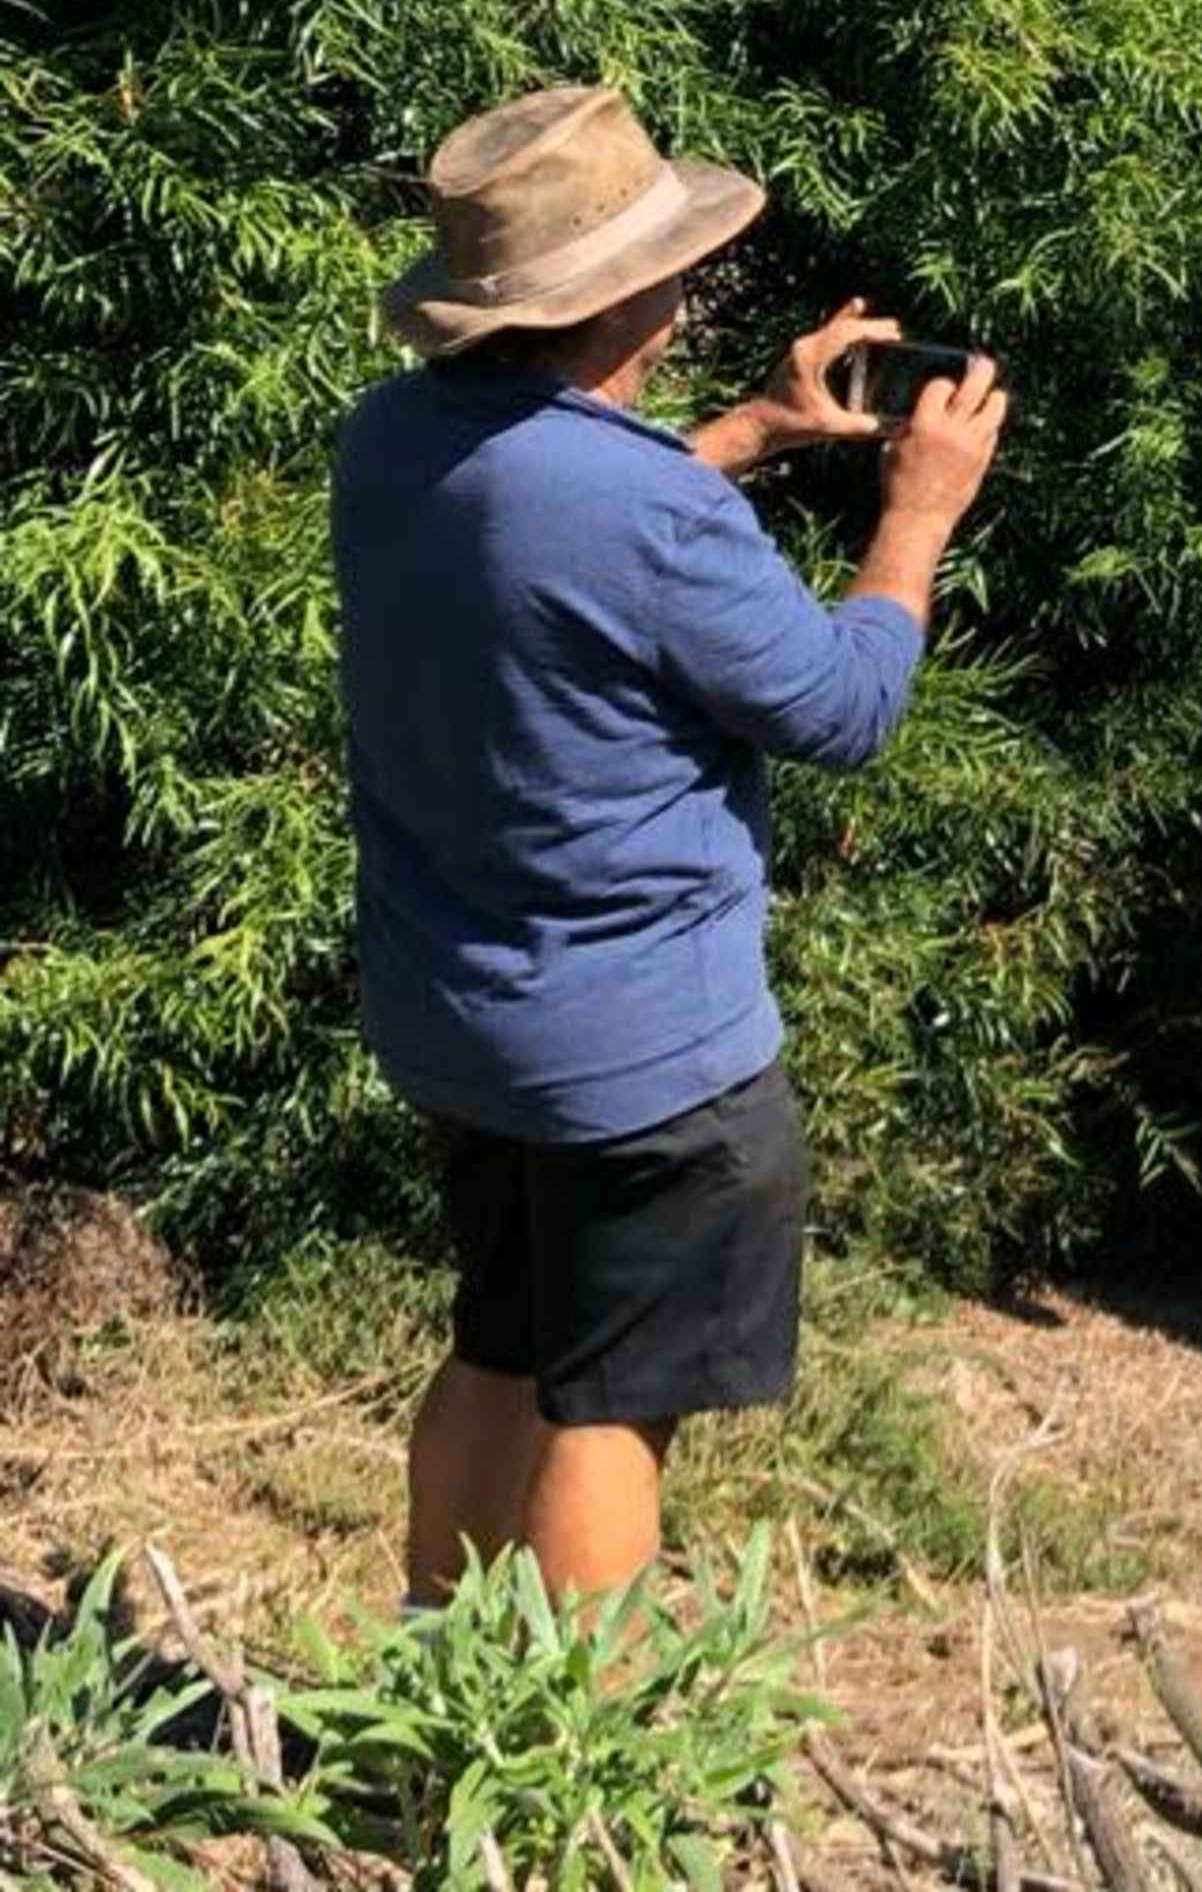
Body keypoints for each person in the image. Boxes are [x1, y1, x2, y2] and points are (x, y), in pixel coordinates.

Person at [332, 83, 1006, 1602]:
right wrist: (920, 513)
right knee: (613, 1409)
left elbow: (558, 537)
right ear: (629, 292)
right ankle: (588, 1783)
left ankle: (441, 1684)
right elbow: (841, 705)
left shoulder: (391, 446)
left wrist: (754, 431)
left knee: (498, 1347)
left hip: (461, 1022)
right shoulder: (643, 511)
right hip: (646, 1062)